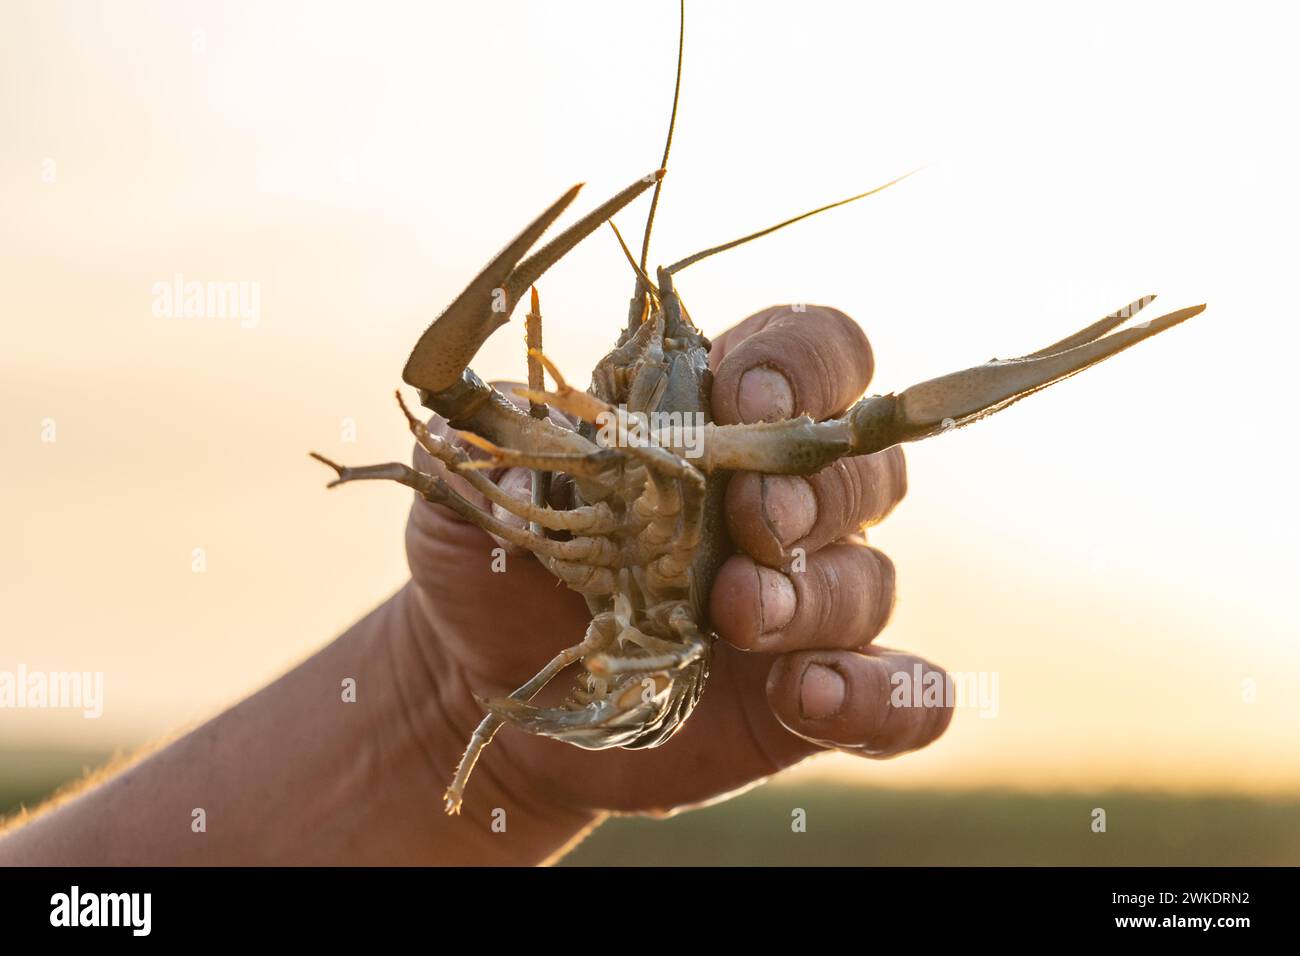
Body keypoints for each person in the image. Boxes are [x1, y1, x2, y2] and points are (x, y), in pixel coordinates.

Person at [0, 305, 951, 866]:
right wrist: (442, 712)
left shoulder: (700, 439)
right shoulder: (606, 435)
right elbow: (448, 396)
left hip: (652, 662)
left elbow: (852, 434)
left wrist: (444, 713)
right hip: (590, 651)